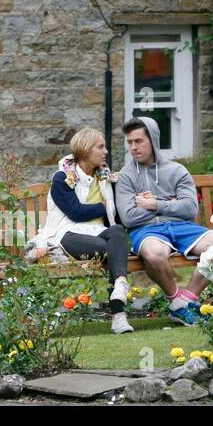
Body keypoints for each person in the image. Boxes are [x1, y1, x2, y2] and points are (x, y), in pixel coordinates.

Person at [114, 116, 213, 326]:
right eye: (130, 142)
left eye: (139, 141)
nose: (133, 147)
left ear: (153, 139)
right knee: (155, 255)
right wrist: (170, 203)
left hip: (182, 227)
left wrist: (154, 204)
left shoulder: (177, 171)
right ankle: (177, 301)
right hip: (147, 230)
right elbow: (128, 217)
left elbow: (190, 209)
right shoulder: (126, 176)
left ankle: (184, 302)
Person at [26, 127, 134, 334]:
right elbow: (76, 212)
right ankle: (118, 316)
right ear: (85, 150)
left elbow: (117, 216)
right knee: (113, 249)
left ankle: (120, 285)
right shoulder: (61, 178)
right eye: (100, 147)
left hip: (100, 230)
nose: (106, 152)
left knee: (118, 232)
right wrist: (104, 207)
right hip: (67, 234)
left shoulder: (104, 176)